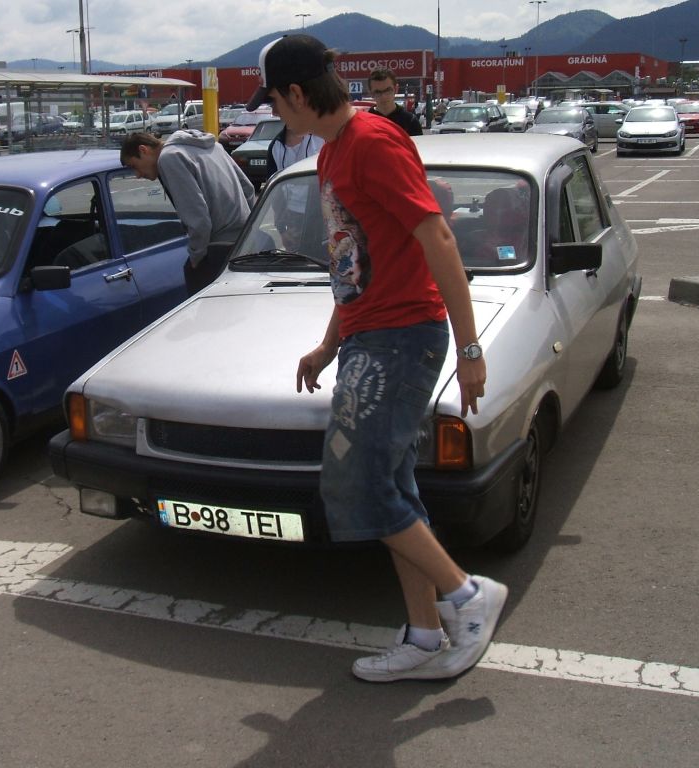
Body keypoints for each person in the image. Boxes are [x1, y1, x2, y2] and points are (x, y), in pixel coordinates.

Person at [246, 35, 507, 682]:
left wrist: (470, 348)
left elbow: (437, 236)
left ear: (298, 94)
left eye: (275, 100)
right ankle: (423, 635)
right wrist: (330, 343)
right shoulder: (333, 155)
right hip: (369, 336)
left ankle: (469, 598)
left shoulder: (374, 142)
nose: (274, 112)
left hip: (404, 336)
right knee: (392, 488)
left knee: (355, 483)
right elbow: (352, 261)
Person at [121, 130, 256, 294]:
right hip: (244, 244)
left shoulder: (169, 158)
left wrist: (196, 257)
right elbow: (248, 189)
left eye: (134, 166)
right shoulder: (216, 147)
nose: (137, 175)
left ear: (144, 150)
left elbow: (198, 219)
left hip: (219, 249)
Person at [367, 68, 423, 137]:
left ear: (396, 89)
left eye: (388, 90)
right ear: (371, 93)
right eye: (378, 92)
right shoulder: (364, 123)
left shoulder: (410, 121)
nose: (383, 96)